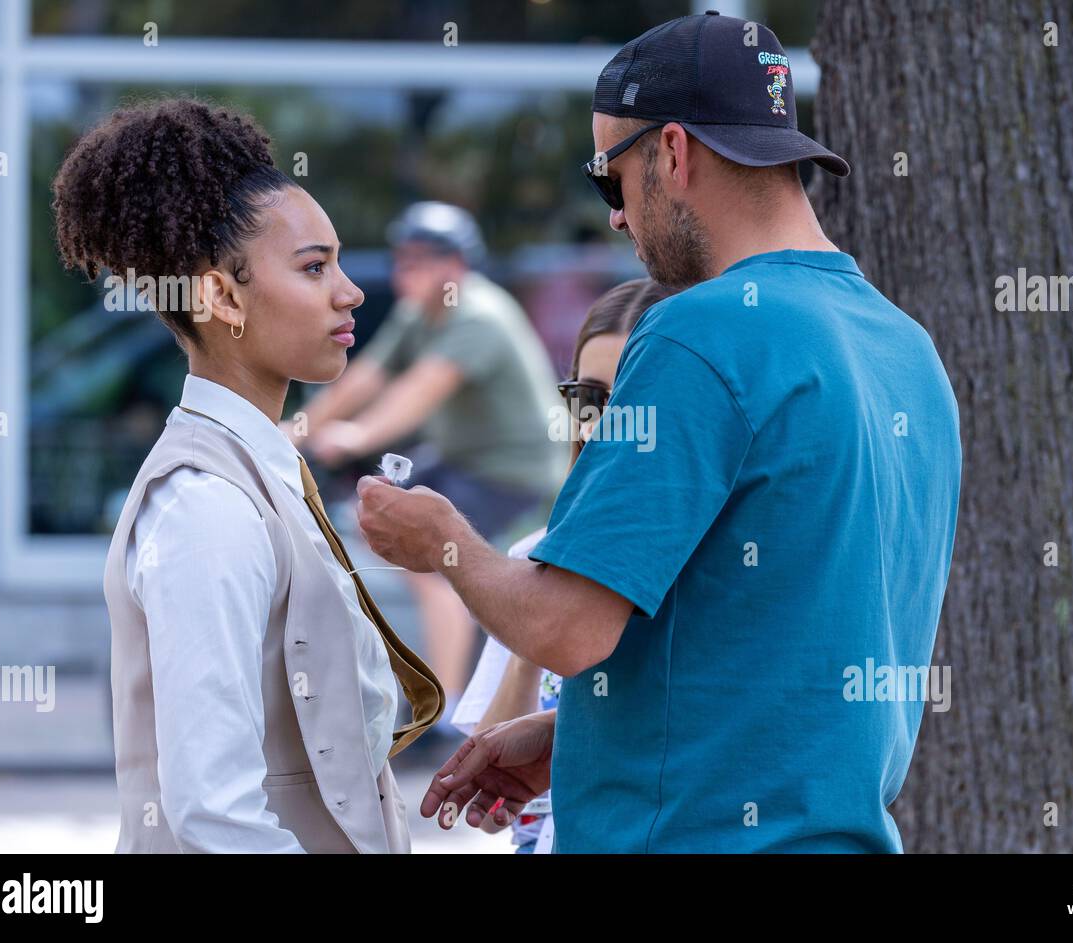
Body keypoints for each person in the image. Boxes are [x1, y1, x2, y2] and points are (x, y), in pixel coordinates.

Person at [358, 12, 962, 854]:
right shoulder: (907, 348)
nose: (613, 219)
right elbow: (789, 653)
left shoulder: (699, 331)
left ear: (672, 153)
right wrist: (579, 739)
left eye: (610, 179)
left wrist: (443, 541)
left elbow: (567, 627)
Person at [54, 99, 443, 853]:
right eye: (314, 267)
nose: (349, 291)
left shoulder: (259, 472)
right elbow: (214, 813)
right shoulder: (207, 505)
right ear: (221, 295)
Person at [295, 202, 567, 726]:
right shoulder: (420, 311)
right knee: (379, 512)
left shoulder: (479, 315)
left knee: (431, 562)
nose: (407, 271)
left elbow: (418, 393)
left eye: (423, 260)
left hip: (515, 475)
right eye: (403, 259)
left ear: (458, 266)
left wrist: (354, 436)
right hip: (460, 459)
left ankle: (444, 706)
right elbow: (367, 376)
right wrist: (298, 429)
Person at [451, 278, 672, 853]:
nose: (603, 425)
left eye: (628, 399)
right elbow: (492, 802)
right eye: (588, 399)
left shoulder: (707, 569)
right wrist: (543, 610)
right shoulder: (538, 550)